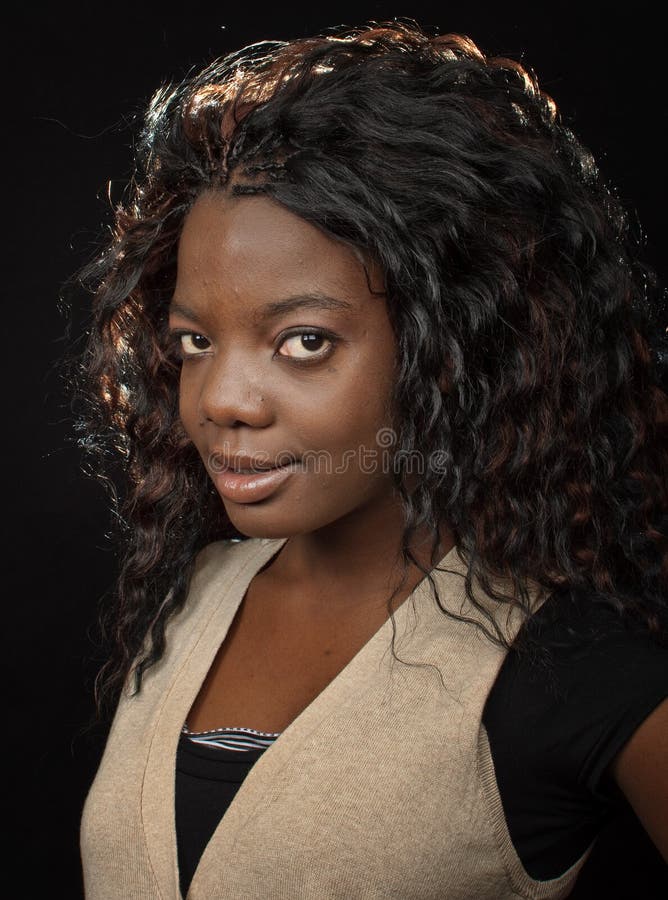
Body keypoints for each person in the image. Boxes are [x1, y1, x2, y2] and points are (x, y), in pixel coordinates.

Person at [75, 18, 668, 899]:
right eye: (197, 339)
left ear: (449, 347)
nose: (222, 399)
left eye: (304, 340)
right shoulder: (187, 600)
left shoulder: (568, 668)